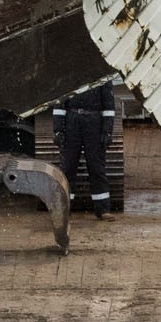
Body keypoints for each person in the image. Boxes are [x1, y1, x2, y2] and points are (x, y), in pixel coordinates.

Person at [53, 81, 118, 220]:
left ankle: (103, 209)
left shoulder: (102, 74)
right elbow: (60, 103)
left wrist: (107, 131)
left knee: (96, 167)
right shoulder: (70, 73)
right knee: (68, 167)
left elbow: (109, 105)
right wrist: (58, 130)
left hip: (94, 123)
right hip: (72, 123)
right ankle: (64, 208)